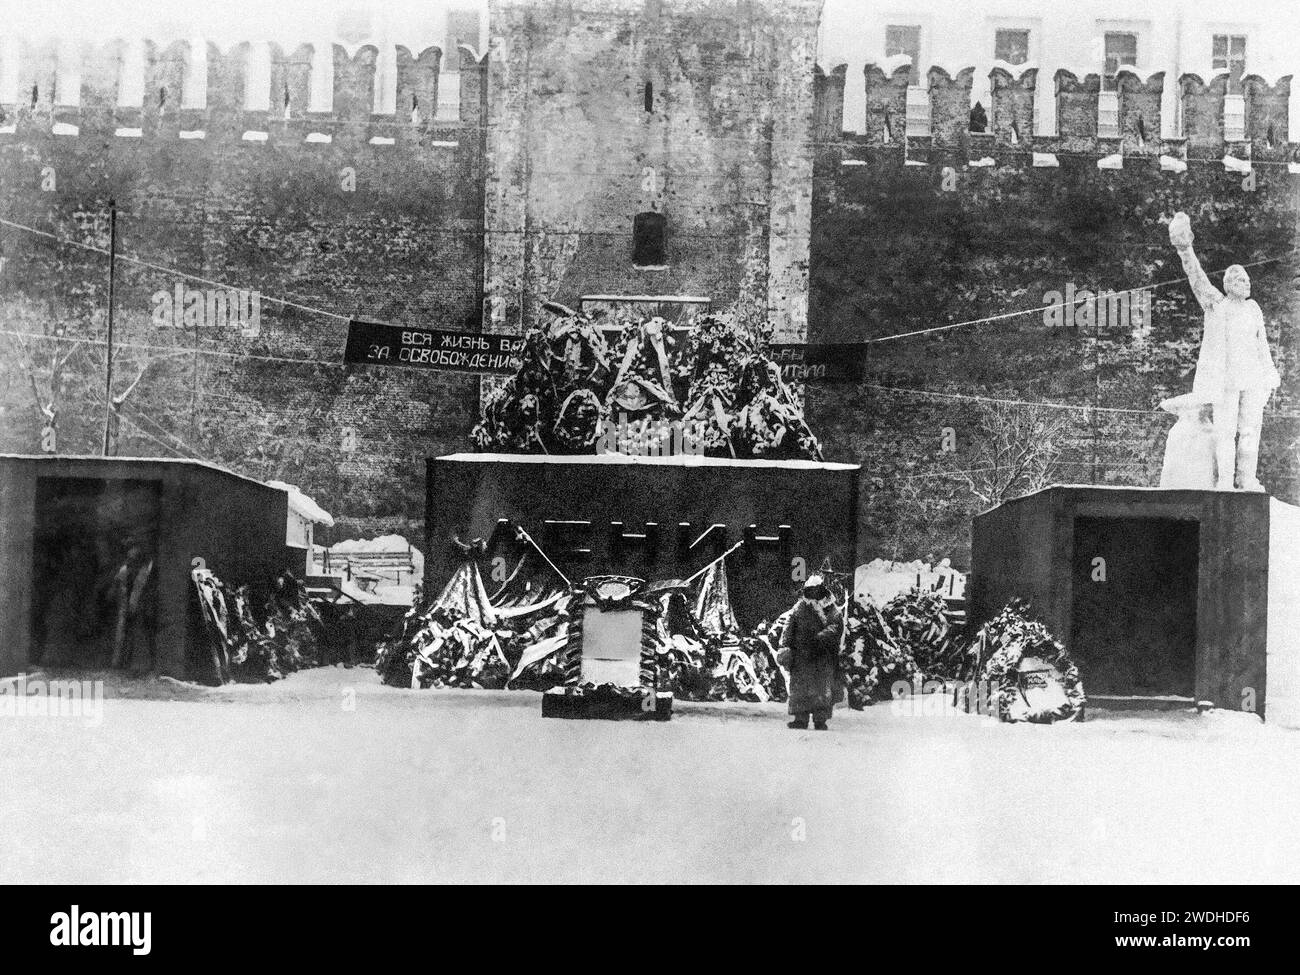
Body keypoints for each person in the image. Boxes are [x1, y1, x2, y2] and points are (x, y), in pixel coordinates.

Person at [1169, 211, 1280, 491]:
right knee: (1225, 432)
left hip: (1252, 379)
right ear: (1228, 284)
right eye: (1240, 279)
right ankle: (1225, 481)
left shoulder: (1254, 309)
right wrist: (1185, 248)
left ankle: (1246, 478)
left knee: (1251, 430)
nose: (1246, 283)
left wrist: (1270, 375)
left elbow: (1262, 344)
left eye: (1247, 279)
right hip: (1227, 381)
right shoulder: (1217, 305)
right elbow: (1196, 278)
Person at [780, 575, 844, 730]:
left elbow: (836, 627)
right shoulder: (800, 607)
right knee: (800, 688)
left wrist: (820, 638)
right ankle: (800, 719)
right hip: (801, 654)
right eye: (810, 590)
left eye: (815, 590)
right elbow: (789, 627)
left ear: (821, 589)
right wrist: (785, 645)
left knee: (822, 688)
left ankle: (820, 720)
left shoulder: (831, 608)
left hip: (822, 655)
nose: (812, 593)